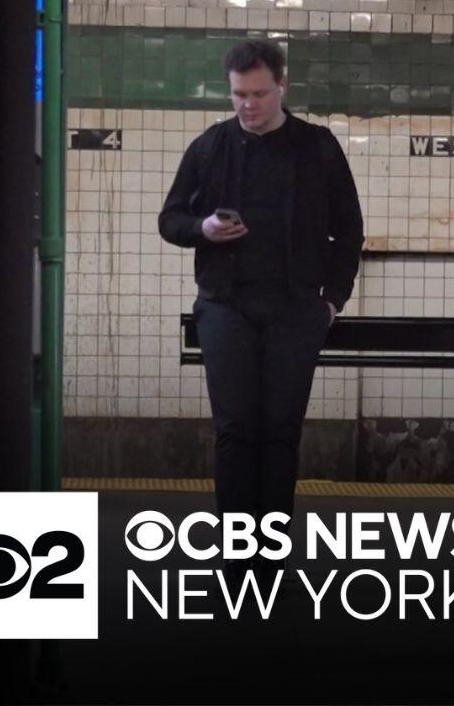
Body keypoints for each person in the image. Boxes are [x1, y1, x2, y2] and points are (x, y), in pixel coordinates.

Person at [159, 39, 364, 583]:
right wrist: (201, 229)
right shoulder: (210, 147)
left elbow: (349, 231)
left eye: (259, 94)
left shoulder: (317, 148)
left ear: (282, 87)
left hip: (297, 309)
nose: (247, 105)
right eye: (238, 95)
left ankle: (269, 556)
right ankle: (235, 558)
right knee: (234, 429)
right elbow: (171, 219)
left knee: (280, 431)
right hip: (226, 305)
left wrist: (332, 300)